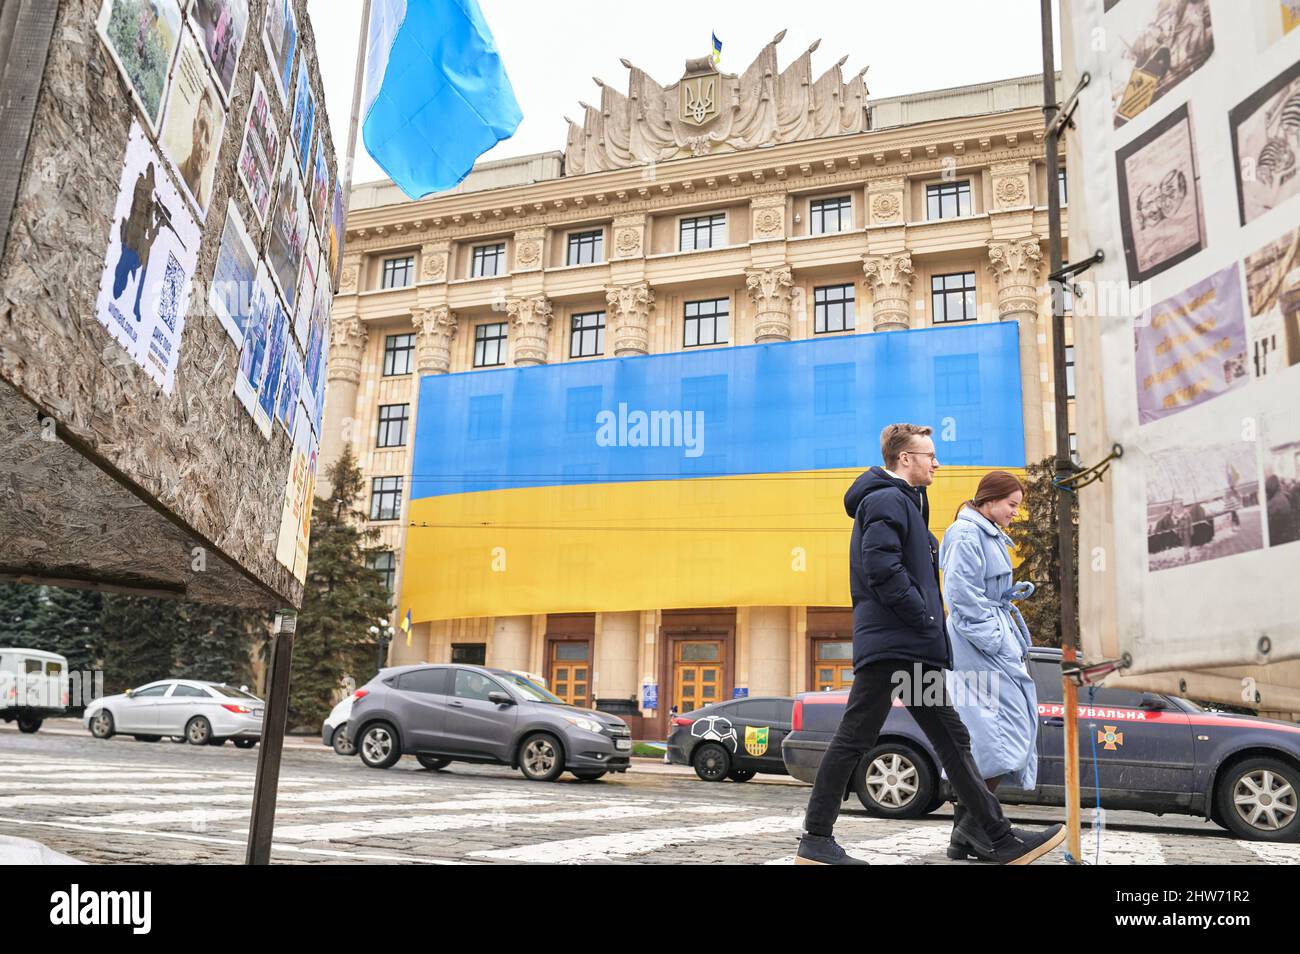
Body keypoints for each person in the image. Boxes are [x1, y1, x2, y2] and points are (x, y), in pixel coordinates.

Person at [795, 424, 1064, 865]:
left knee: (952, 739)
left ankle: (996, 837)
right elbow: (881, 568)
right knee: (857, 738)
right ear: (905, 458)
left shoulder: (907, 501)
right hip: (895, 647)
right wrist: (924, 616)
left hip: (911, 649)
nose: (937, 463)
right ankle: (816, 840)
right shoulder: (886, 499)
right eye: (930, 455)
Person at [938, 471, 1040, 860]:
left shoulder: (985, 533)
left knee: (990, 736)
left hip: (986, 640)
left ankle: (965, 833)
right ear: (990, 499)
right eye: (1012, 504)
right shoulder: (967, 534)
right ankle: (975, 828)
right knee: (997, 736)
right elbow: (961, 595)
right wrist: (995, 639)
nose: (1015, 512)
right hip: (979, 645)